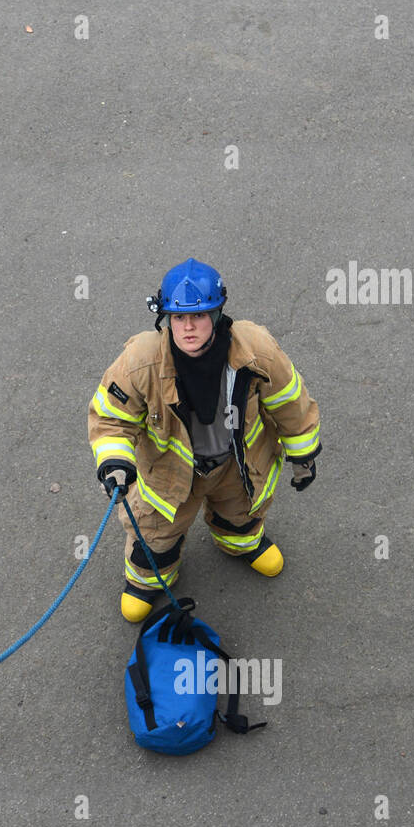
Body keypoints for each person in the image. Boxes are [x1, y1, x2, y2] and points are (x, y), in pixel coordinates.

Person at [87, 258, 322, 622]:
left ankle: (239, 543)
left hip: (235, 465)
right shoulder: (140, 361)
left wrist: (303, 456)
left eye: (199, 315)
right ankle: (149, 580)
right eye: (179, 317)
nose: (189, 326)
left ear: (217, 313)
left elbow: (291, 401)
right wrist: (115, 462)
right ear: (166, 318)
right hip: (169, 476)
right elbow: (111, 418)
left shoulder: (255, 350)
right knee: (154, 535)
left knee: (242, 514)